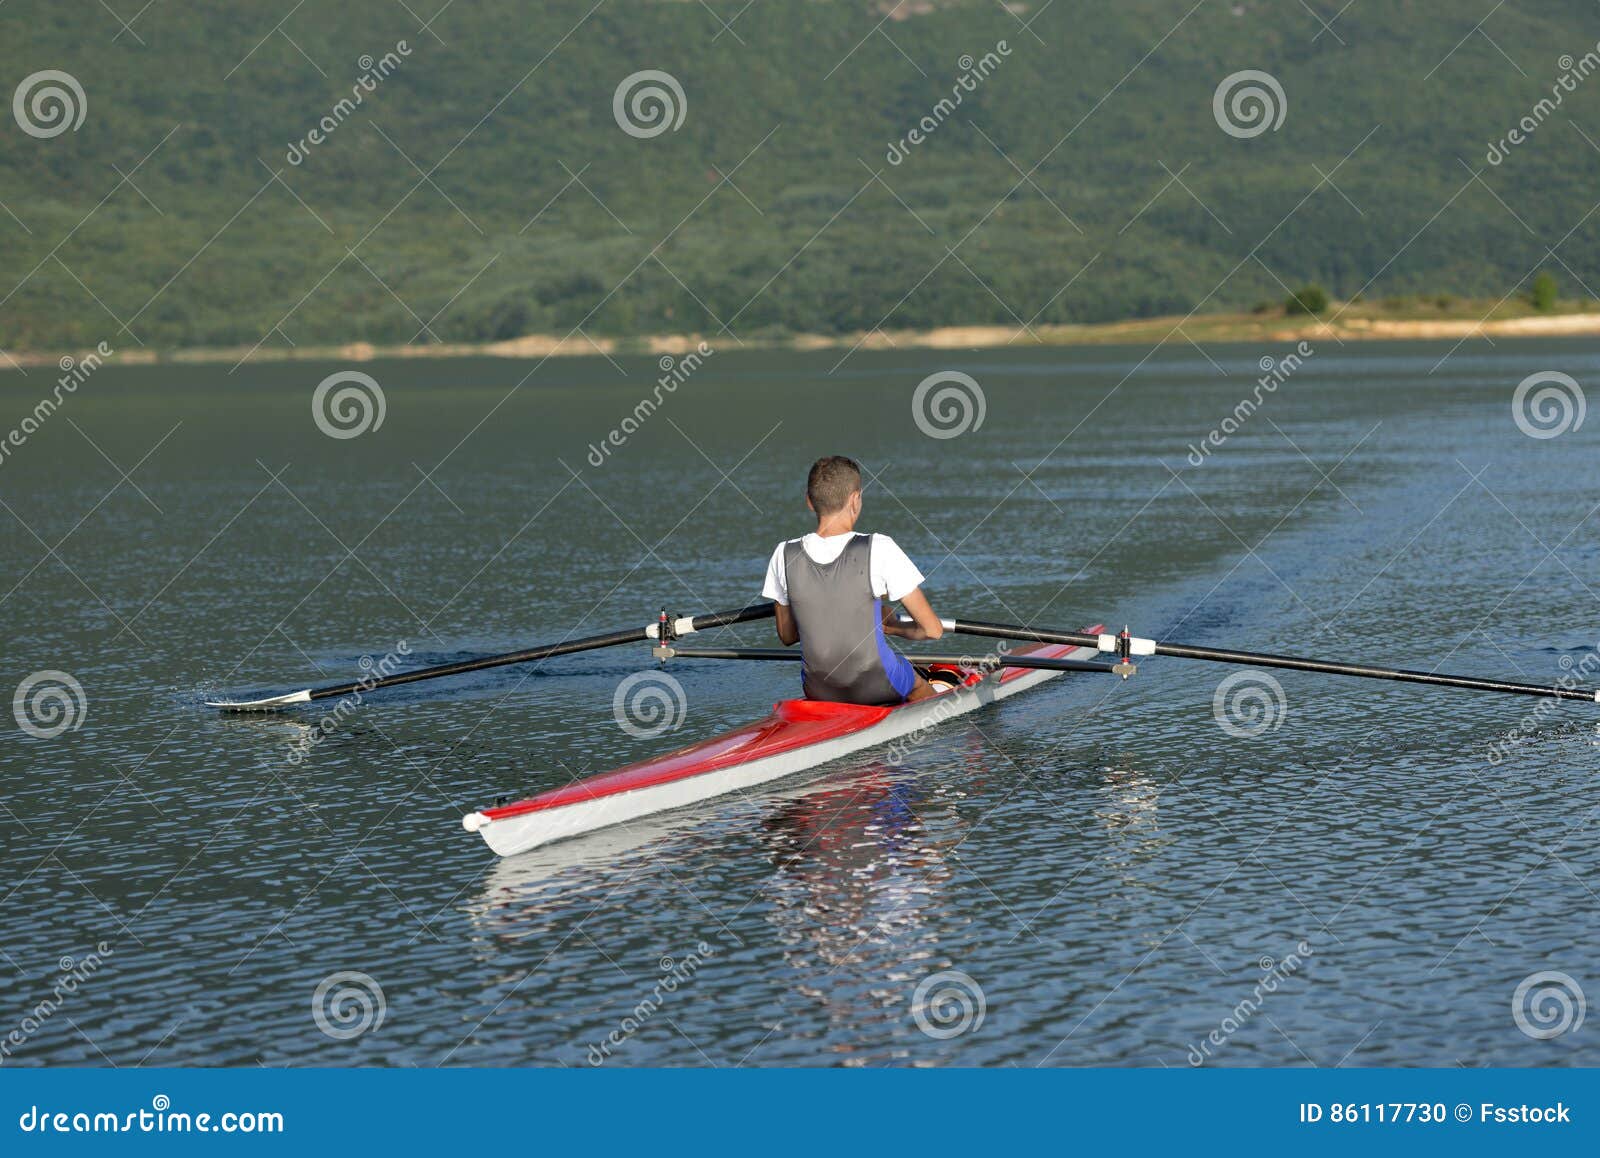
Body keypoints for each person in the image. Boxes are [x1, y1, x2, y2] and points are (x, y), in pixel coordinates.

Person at [761, 455, 945, 704]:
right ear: (855, 499)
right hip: (878, 683)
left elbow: (788, 636)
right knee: (916, 682)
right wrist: (890, 626)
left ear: (809, 501)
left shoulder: (784, 553)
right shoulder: (880, 546)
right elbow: (932, 630)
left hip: (818, 690)